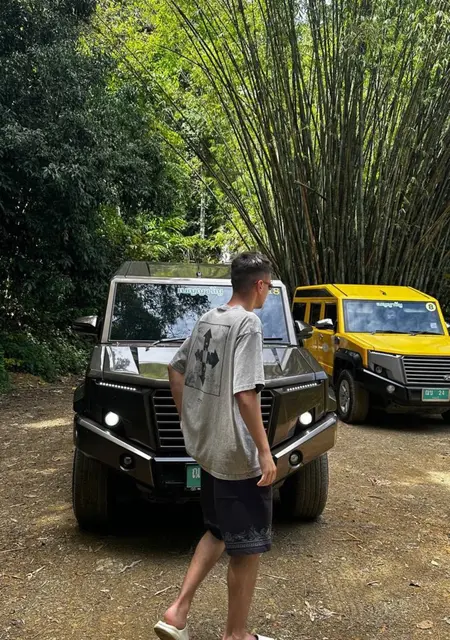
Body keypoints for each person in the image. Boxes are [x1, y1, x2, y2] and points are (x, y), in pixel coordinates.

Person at [154, 252, 277, 640]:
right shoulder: (248, 324)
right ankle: (236, 635)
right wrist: (264, 451)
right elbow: (245, 393)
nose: (269, 293)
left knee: (218, 532)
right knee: (248, 549)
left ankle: (176, 613)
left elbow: (175, 368)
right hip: (236, 457)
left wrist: (191, 420)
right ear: (259, 285)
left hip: (210, 452)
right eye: (269, 287)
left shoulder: (209, 317)